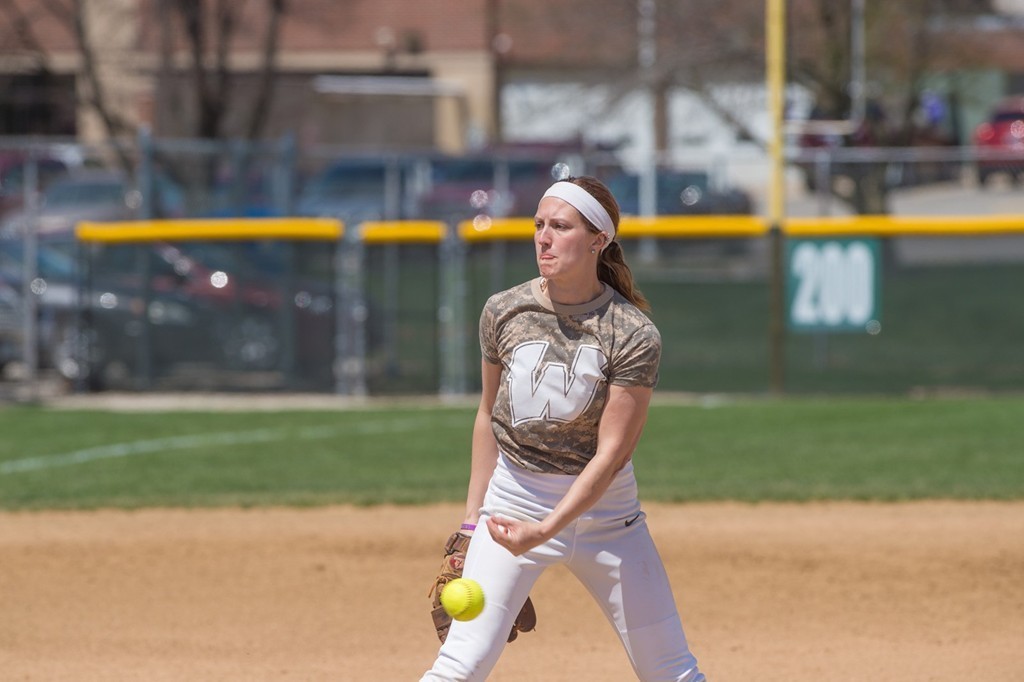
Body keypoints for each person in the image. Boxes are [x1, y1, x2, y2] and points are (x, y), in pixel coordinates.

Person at [421, 175, 706, 682]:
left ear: (599, 239)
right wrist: (471, 525)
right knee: (460, 665)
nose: (543, 238)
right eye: (538, 225)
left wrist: (548, 530)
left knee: (671, 670)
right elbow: (488, 415)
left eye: (560, 226)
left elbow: (611, 454)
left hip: (606, 518)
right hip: (512, 509)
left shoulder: (632, 333)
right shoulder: (504, 310)